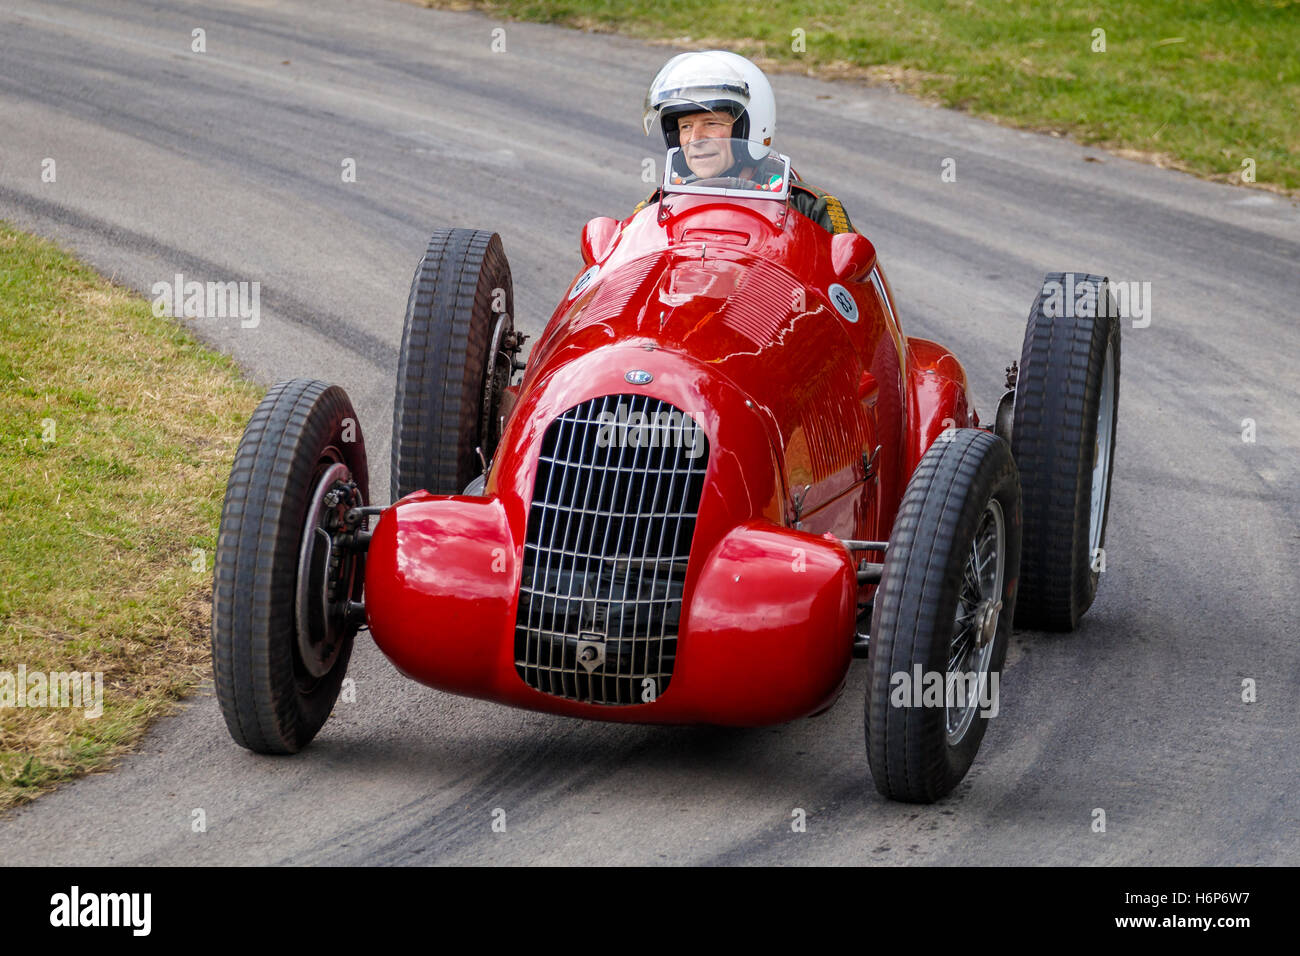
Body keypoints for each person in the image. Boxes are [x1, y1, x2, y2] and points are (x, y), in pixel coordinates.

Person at [636, 50, 856, 235]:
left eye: (711, 123)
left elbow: (850, 275)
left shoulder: (811, 208)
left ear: (748, 129)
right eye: (686, 127)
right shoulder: (658, 205)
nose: (695, 139)